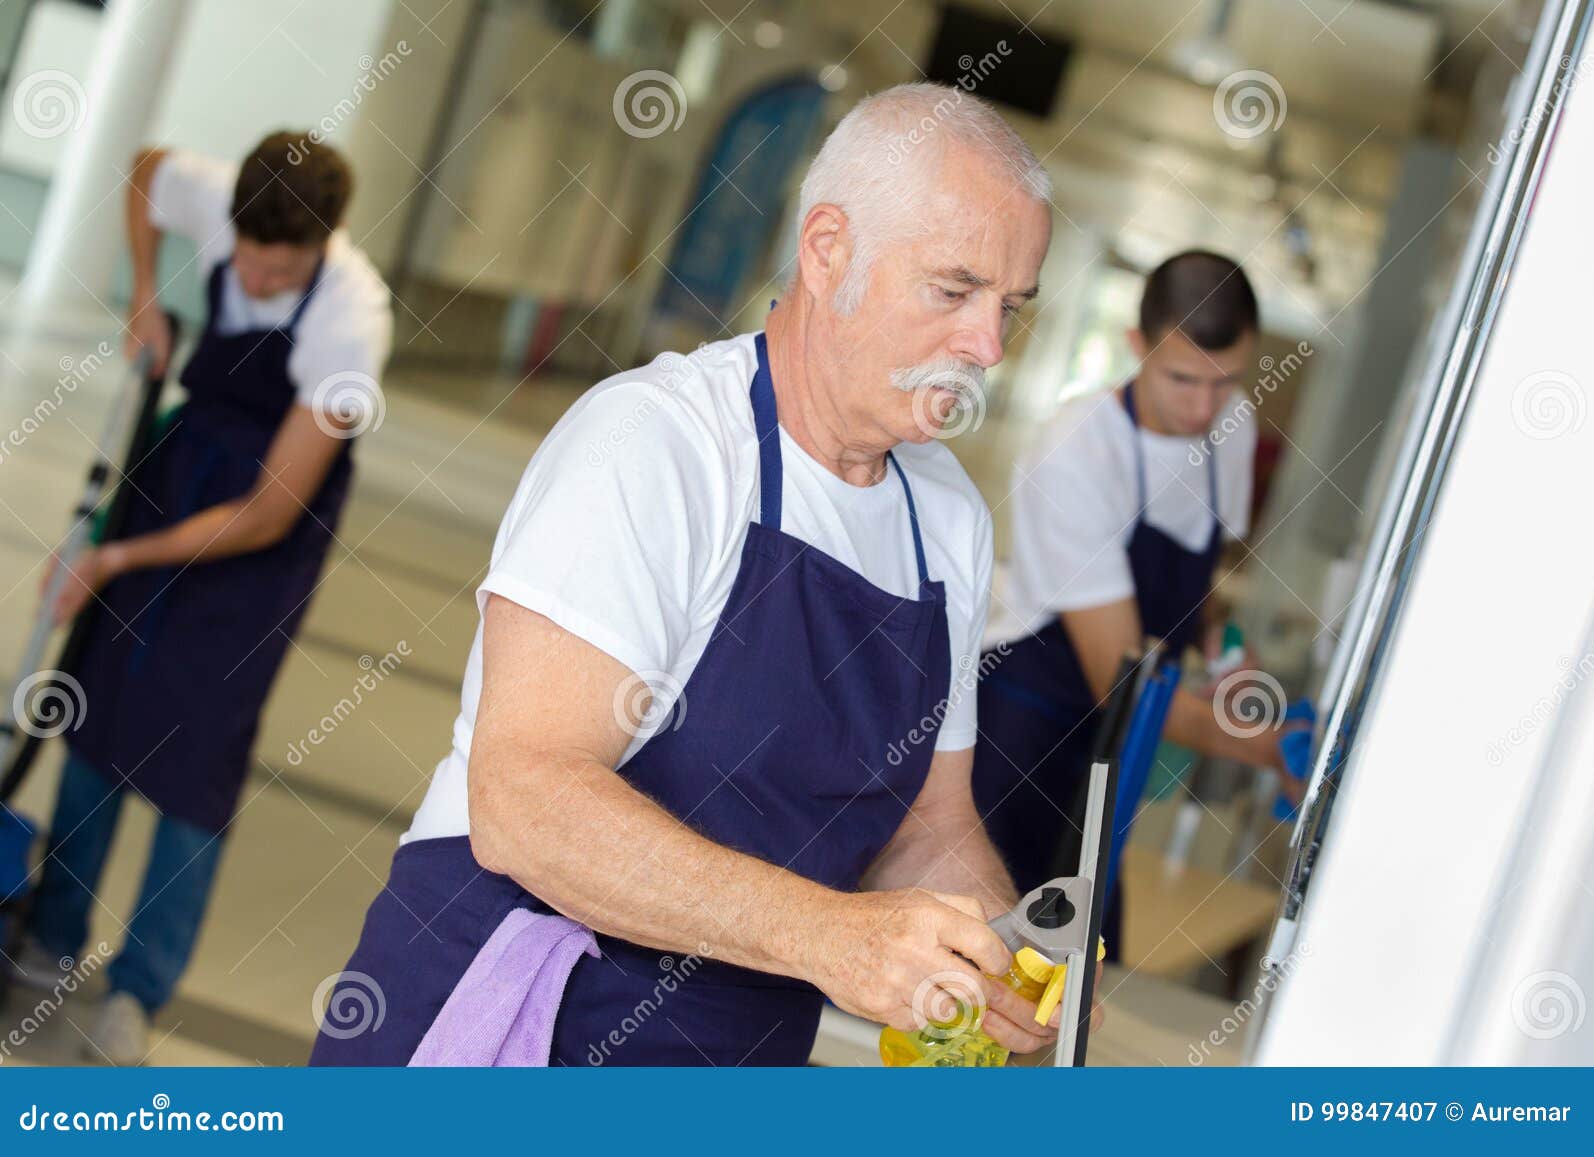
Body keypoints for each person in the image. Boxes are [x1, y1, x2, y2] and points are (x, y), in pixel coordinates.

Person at [311, 84, 1095, 1068]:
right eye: (952, 289)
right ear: (826, 249)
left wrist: (998, 952)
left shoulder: (946, 519)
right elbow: (526, 800)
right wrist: (826, 933)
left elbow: (926, 823)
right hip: (512, 1016)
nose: (986, 347)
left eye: (1010, 309)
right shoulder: (659, 445)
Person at [9, 133, 392, 1063]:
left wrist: (112, 560)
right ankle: (54, 937)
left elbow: (266, 512)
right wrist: (145, 293)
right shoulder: (224, 195)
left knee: (197, 754)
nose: (257, 271)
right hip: (176, 467)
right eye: (247, 249)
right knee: (99, 707)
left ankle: (140, 987)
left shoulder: (353, 322)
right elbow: (144, 167)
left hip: (263, 529)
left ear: (325, 243)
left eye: (282, 260)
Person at [971, 250, 1303, 958]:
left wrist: (1225, 654)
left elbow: (1198, 585)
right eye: (1182, 378)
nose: (1201, 407)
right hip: (1025, 728)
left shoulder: (1232, 427)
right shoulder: (1076, 452)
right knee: (990, 962)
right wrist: (1272, 747)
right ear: (1136, 347)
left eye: (1225, 381)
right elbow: (1122, 684)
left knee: (1087, 970)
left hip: (1113, 745)